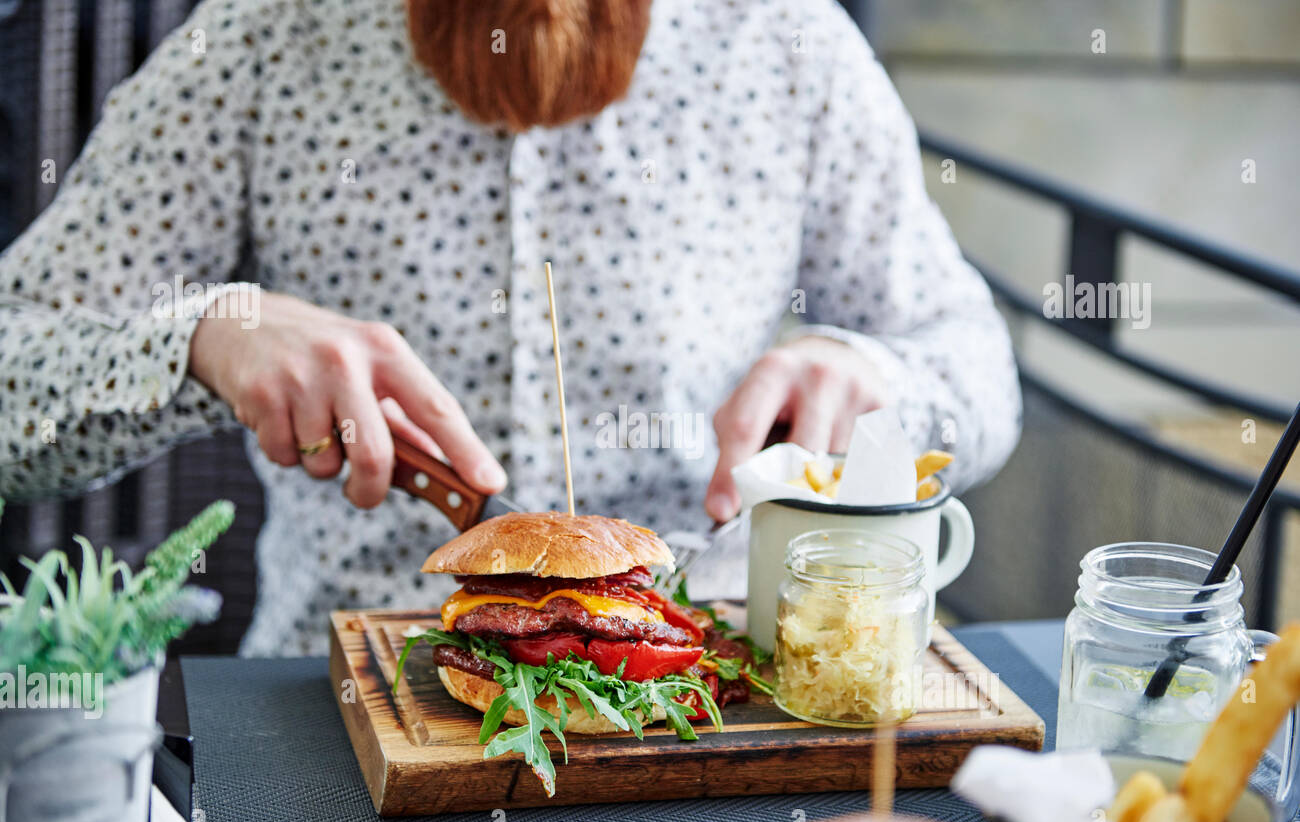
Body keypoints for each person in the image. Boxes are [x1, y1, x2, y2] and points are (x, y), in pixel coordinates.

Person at [0, 0, 1020, 654]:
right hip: (331, 693)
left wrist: (866, 372)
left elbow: (975, 367)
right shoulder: (257, 42)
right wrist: (206, 336)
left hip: (702, 693)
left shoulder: (792, 48)